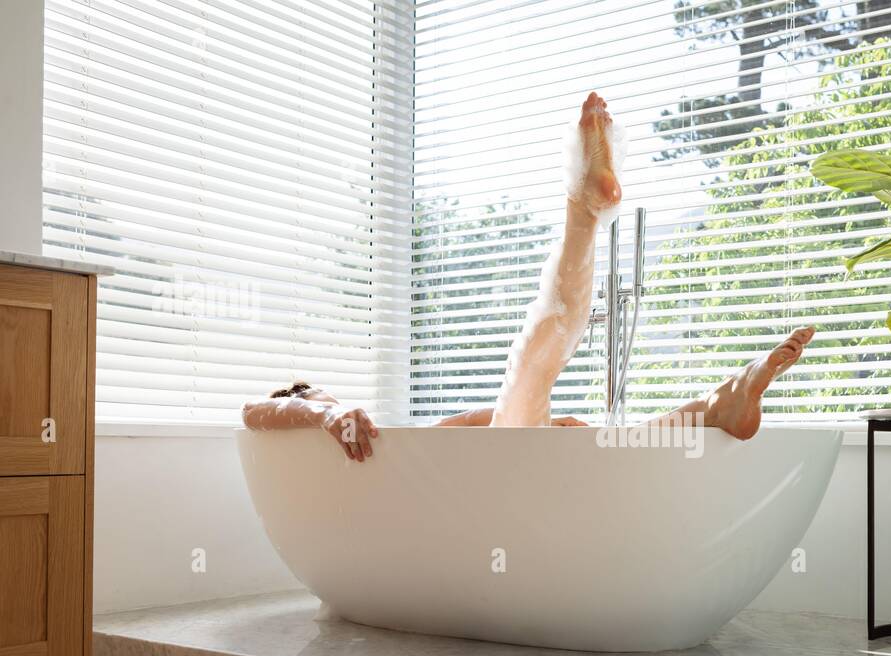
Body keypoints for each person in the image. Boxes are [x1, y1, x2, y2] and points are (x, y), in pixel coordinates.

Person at [242, 93, 813, 462]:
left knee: (602, 424)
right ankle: (582, 214)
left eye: (322, 396)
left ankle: (720, 403)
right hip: (491, 491)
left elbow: (483, 421)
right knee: (539, 366)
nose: (331, 402)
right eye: (311, 396)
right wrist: (321, 409)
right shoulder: (313, 434)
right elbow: (253, 412)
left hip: (497, 477)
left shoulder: (381, 446)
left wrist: (541, 418)